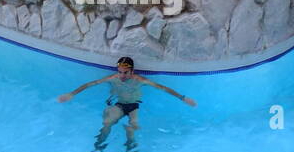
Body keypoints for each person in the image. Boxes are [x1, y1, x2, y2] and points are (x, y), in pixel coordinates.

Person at [58, 56, 196, 142]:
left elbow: (162, 88)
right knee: (107, 123)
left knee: (132, 129)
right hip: (120, 104)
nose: (122, 75)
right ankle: (98, 149)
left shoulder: (140, 80)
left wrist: (182, 98)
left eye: (125, 72)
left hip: (134, 106)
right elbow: (90, 84)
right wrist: (72, 94)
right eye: (120, 72)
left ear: (132, 71)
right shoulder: (113, 78)